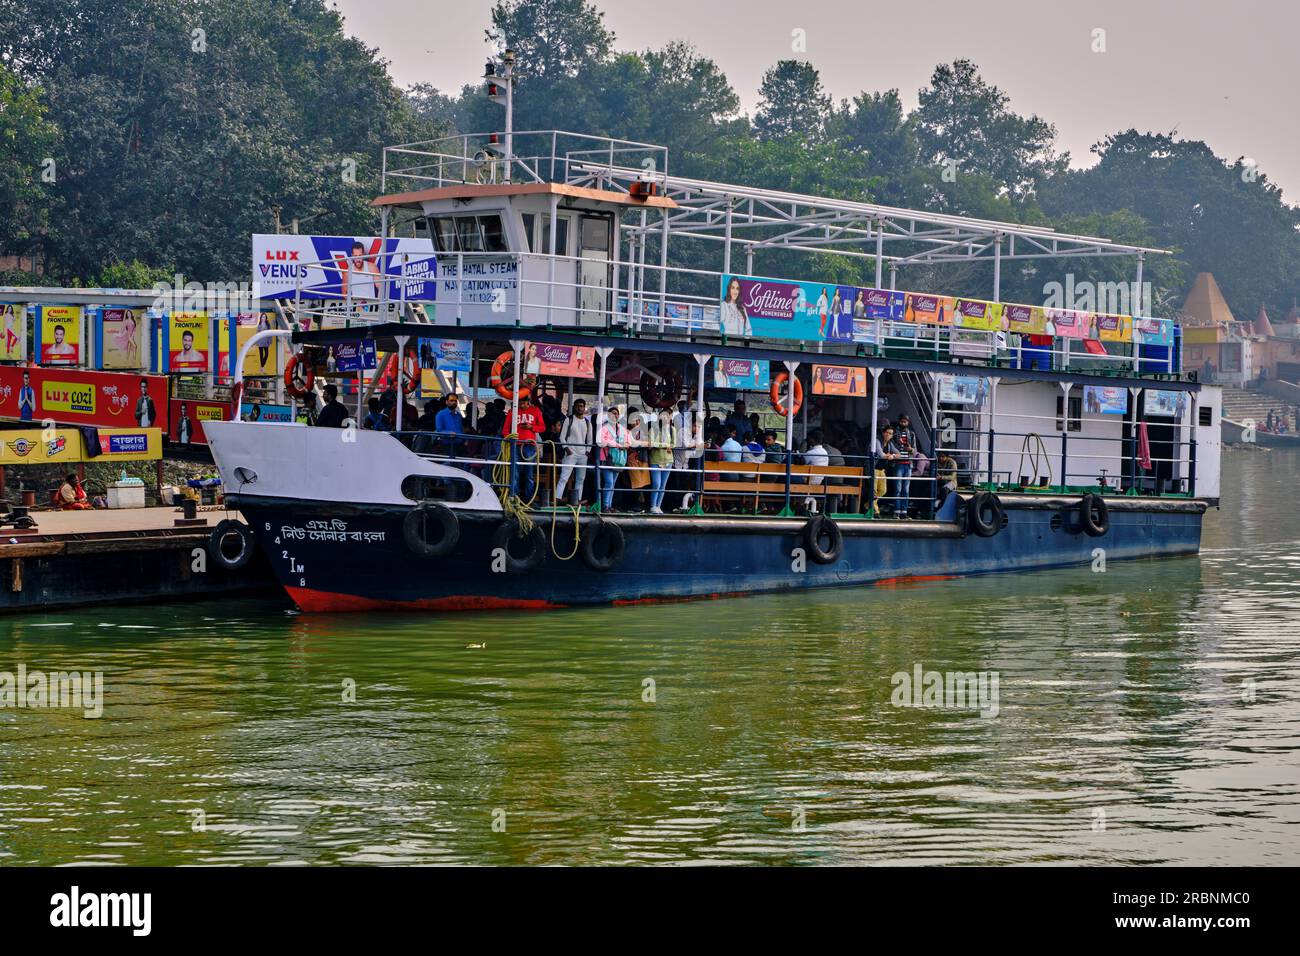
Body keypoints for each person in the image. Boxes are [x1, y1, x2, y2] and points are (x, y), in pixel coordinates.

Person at [503, 393, 545, 500]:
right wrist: (510, 438)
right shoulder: (512, 411)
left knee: (529, 474)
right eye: (520, 404)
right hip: (515, 445)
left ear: (528, 402)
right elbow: (505, 430)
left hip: (530, 445)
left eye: (524, 404)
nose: (522, 406)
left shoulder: (535, 411)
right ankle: (514, 497)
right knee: (514, 472)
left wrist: (531, 427)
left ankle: (528, 499)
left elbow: (542, 427)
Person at [556, 398, 592, 506]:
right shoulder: (568, 420)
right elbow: (562, 437)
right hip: (570, 453)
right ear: (574, 407)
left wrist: (587, 452)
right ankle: (557, 498)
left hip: (582, 454)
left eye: (581, 406)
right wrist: (567, 449)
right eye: (577, 406)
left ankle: (577, 500)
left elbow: (590, 440)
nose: (579, 408)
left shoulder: (587, 422)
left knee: (580, 479)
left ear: (584, 408)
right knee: (564, 477)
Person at [597, 406, 628, 511]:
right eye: (612, 413)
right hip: (607, 458)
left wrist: (623, 445)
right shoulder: (604, 428)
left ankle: (608, 505)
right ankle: (605, 505)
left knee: (613, 484)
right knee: (609, 482)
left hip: (619, 460)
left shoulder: (622, 429)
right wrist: (617, 444)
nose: (614, 415)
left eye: (616, 413)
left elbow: (628, 442)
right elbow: (601, 441)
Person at [647, 410, 676, 514]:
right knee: (656, 483)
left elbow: (673, 444)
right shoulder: (653, 429)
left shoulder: (672, 429)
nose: (665, 418)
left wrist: (666, 446)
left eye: (667, 417)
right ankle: (652, 506)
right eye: (663, 416)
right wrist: (664, 446)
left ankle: (658, 506)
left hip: (668, 460)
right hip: (655, 459)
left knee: (663, 484)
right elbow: (651, 443)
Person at [891, 414, 918, 518]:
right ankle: (896, 511)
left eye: (905, 422)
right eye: (901, 421)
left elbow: (915, 449)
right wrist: (900, 444)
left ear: (908, 423)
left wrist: (910, 449)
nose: (903, 423)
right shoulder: (894, 433)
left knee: (906, 490)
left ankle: (904, 512)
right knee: (898, 489)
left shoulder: (911, 434)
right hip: (898, 463)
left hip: (908, 464)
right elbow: (891, 446)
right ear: (899, 421)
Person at [434, 394, 463, 458]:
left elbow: (461, 429)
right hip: (447, 446)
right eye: (451, 400)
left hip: (459, 446)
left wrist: (465, 440)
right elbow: (439, 430)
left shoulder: (458, 415)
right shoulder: (440, 414)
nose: (454, 402)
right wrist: (449, 433)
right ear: (446, 402)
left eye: (455, 401)